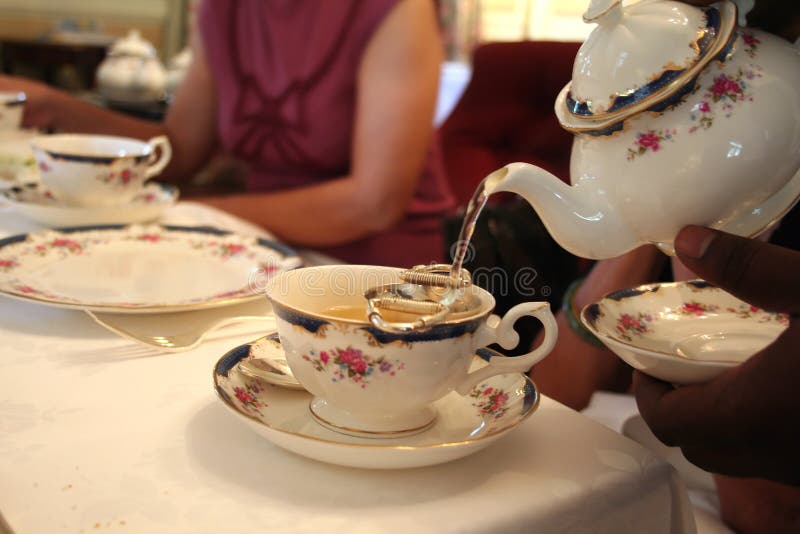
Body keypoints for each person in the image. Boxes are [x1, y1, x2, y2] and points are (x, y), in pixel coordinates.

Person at [0, 0, 454, 267]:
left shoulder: (396, 10)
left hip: (371, 269)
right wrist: (49, 104)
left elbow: (373, 205)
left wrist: (182, 209)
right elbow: (178, 150)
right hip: (258, 246)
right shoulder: (226, 9)